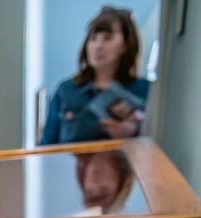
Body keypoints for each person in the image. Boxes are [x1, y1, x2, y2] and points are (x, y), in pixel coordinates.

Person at [39, 6, 150, 145]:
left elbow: (161, 146)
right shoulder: (66, 91)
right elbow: (46, 147)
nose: (98, 46)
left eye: (108, 38)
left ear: (126, 45)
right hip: (71, 166)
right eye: (93, 38)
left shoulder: (146, 91)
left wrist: (134, 131)